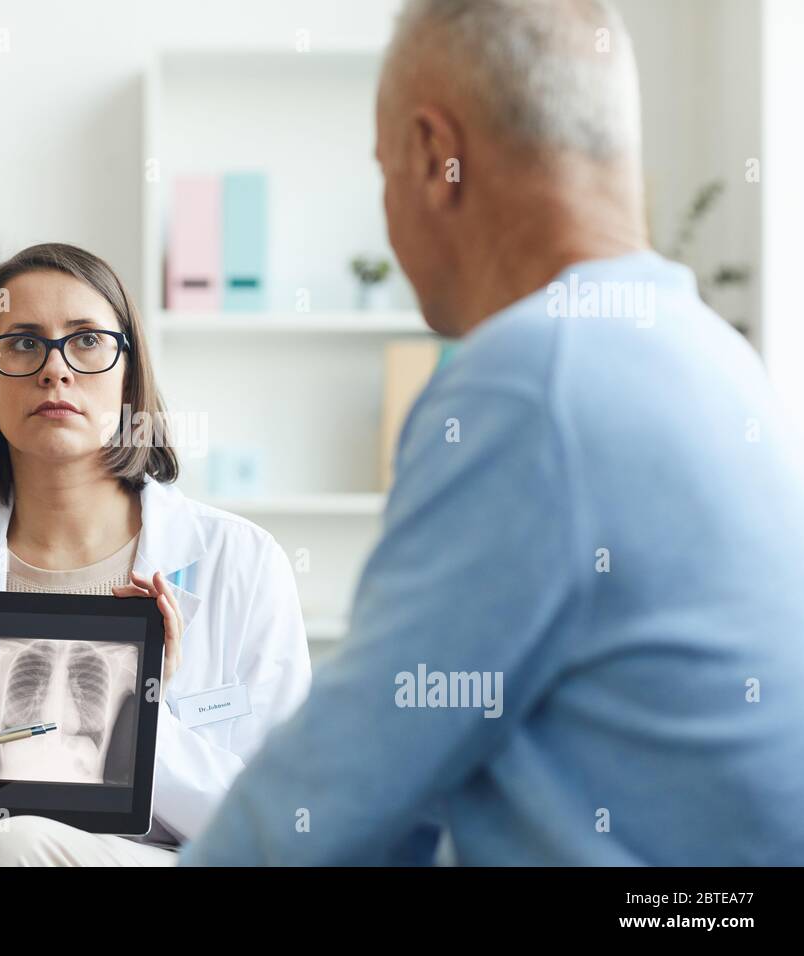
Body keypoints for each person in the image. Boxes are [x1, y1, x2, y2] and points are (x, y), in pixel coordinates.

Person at [181, 0, 804, 865]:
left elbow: (326, 805)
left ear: (437, 158)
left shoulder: (533, 382)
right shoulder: (712, 355)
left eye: (381, 169)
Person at [0, 242, 311, 866]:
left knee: (16, 845)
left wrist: (145, 720)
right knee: (7, 848)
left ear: (127, 374)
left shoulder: (241, 562)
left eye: (87, 340)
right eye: (23, 343)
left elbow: (286, 828)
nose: (54, 370)